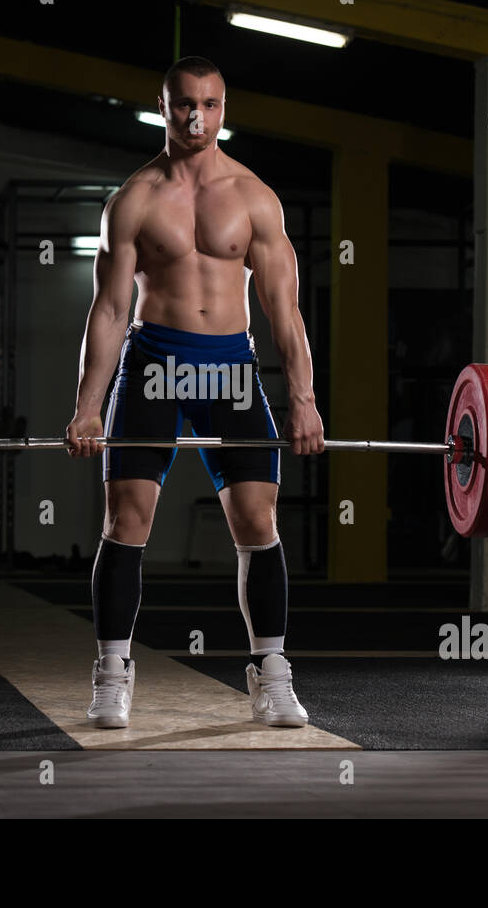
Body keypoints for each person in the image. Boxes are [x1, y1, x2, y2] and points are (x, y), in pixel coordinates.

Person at [64, 56, 326, 729]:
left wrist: (303, 398)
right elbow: (111, 310)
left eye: (208, 104)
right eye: (184, 103)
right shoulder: (133, 199)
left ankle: (270, 672)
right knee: (127, 521)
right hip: (153, 363)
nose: (195, 115)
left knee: (258, 522)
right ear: (163, 105)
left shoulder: (255, 197)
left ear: (223, 108)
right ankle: (112, 670)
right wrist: (88, 403)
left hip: (230, 370)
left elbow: (283, 310)